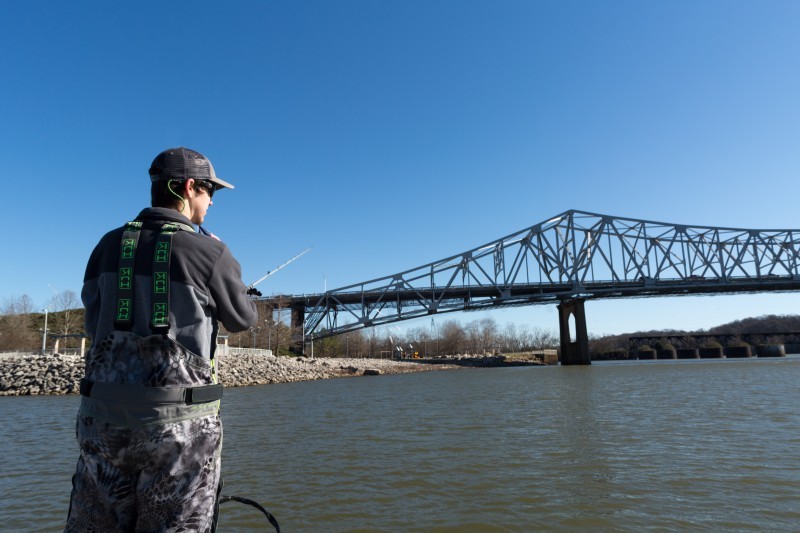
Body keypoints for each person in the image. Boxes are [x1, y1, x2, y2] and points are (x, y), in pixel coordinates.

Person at [66, 147, 259, 532]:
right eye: (210, 192)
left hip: (101, 420)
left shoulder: (105, 245)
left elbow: (93, 323)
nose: (211, 202)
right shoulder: (210, 250)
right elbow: (242, 319)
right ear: (189, 188)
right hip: (178, 429)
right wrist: (224, 262)